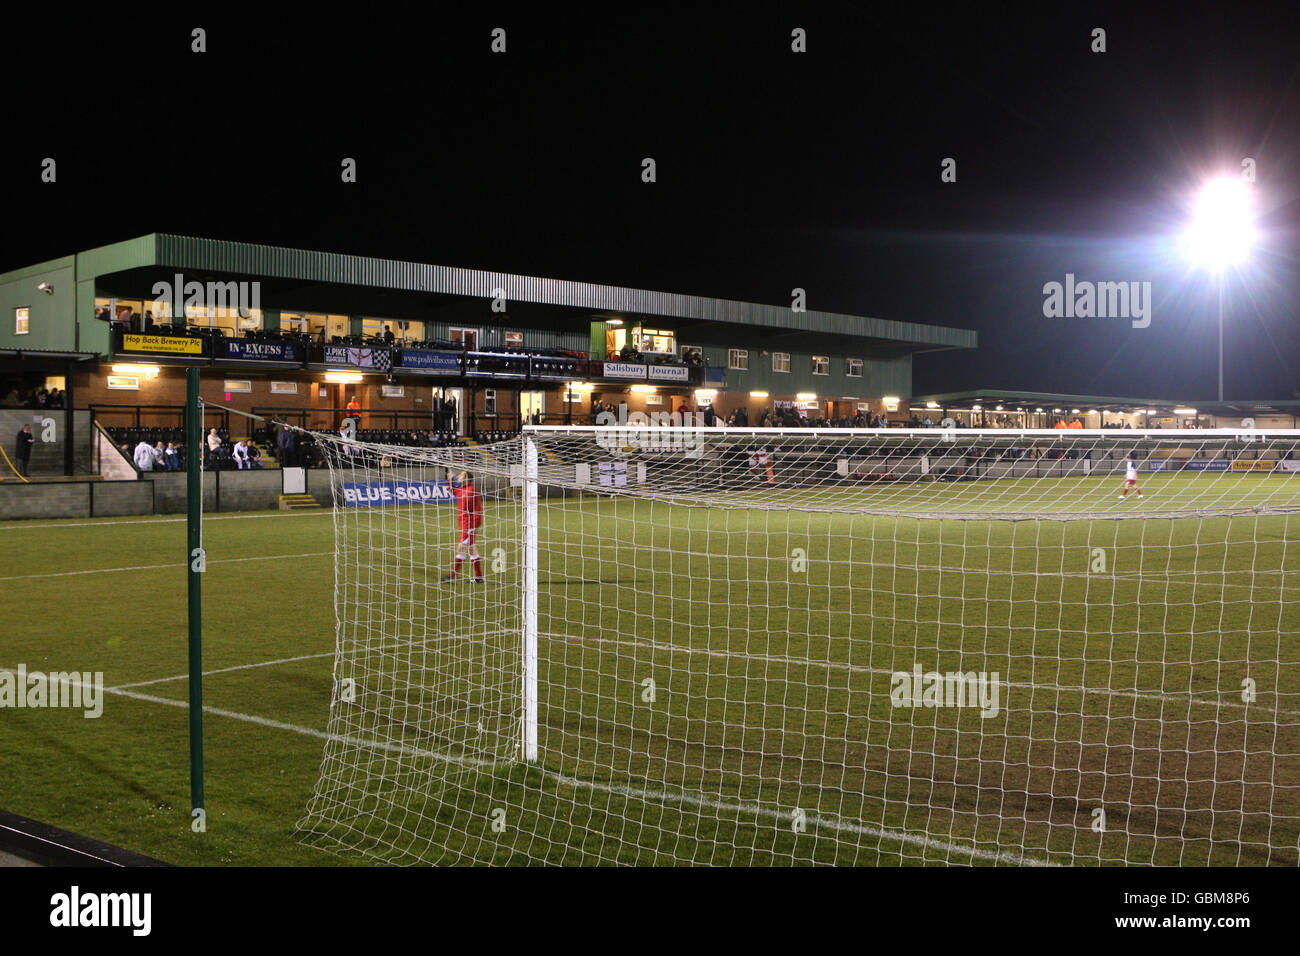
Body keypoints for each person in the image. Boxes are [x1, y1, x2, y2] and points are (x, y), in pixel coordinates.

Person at [443, 470, 484, 582]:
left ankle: (452, 576)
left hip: (470, 525)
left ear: (466, 478)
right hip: (464, 524)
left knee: (461, 548)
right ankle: (479, 577)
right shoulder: (461, 489)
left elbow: (478, 510)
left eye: (461, 475)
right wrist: (449, 480)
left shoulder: (472, 491)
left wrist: (474, 527)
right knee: (471, 549)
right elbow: (452, 490)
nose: (459, 476)